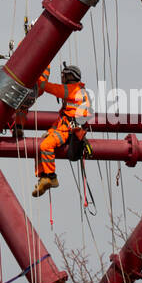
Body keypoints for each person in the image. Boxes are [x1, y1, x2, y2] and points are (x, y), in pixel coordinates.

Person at [31, 63, 91, 196]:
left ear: (70, 77)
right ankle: (43, 175)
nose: (62, 78)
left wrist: (34, 75)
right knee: (42, 141)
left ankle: (50, 177)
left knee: (46, 145)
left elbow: (47, 87)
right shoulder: (78, 90)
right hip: (66, 127)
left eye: (64, 76)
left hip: (68, 129)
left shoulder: (72, 90)